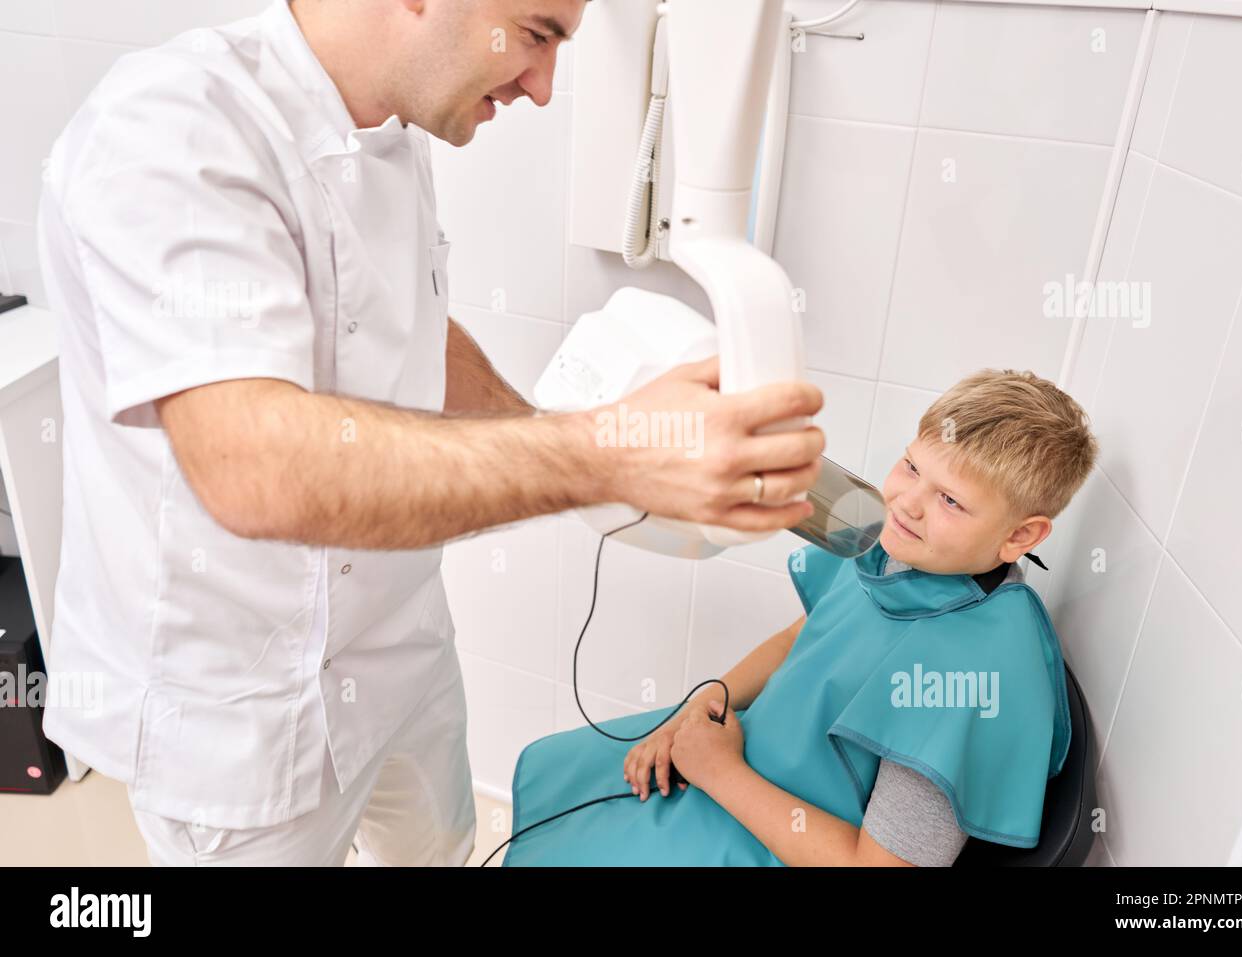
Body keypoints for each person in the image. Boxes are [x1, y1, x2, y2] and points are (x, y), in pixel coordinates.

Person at [36, 0, 825, 866]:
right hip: (242, 710)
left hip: (399, 645)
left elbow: (411, 324)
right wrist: (605, 454)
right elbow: (254, 468)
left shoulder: (390, 125)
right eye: (536, 35)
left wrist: (557, 434)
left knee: (438, 849)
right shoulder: (175, 131)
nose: (543, 86)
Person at [504, 369, 1097, 866]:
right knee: (568, 772)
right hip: (748, 764)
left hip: (782, 838)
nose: (907, 502)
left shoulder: (976, 675)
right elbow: (802, 637)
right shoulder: (892, 546)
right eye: (912, 467)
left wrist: (717, 771)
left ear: (1020, 535)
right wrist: (700, 704)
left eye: (950, 501)